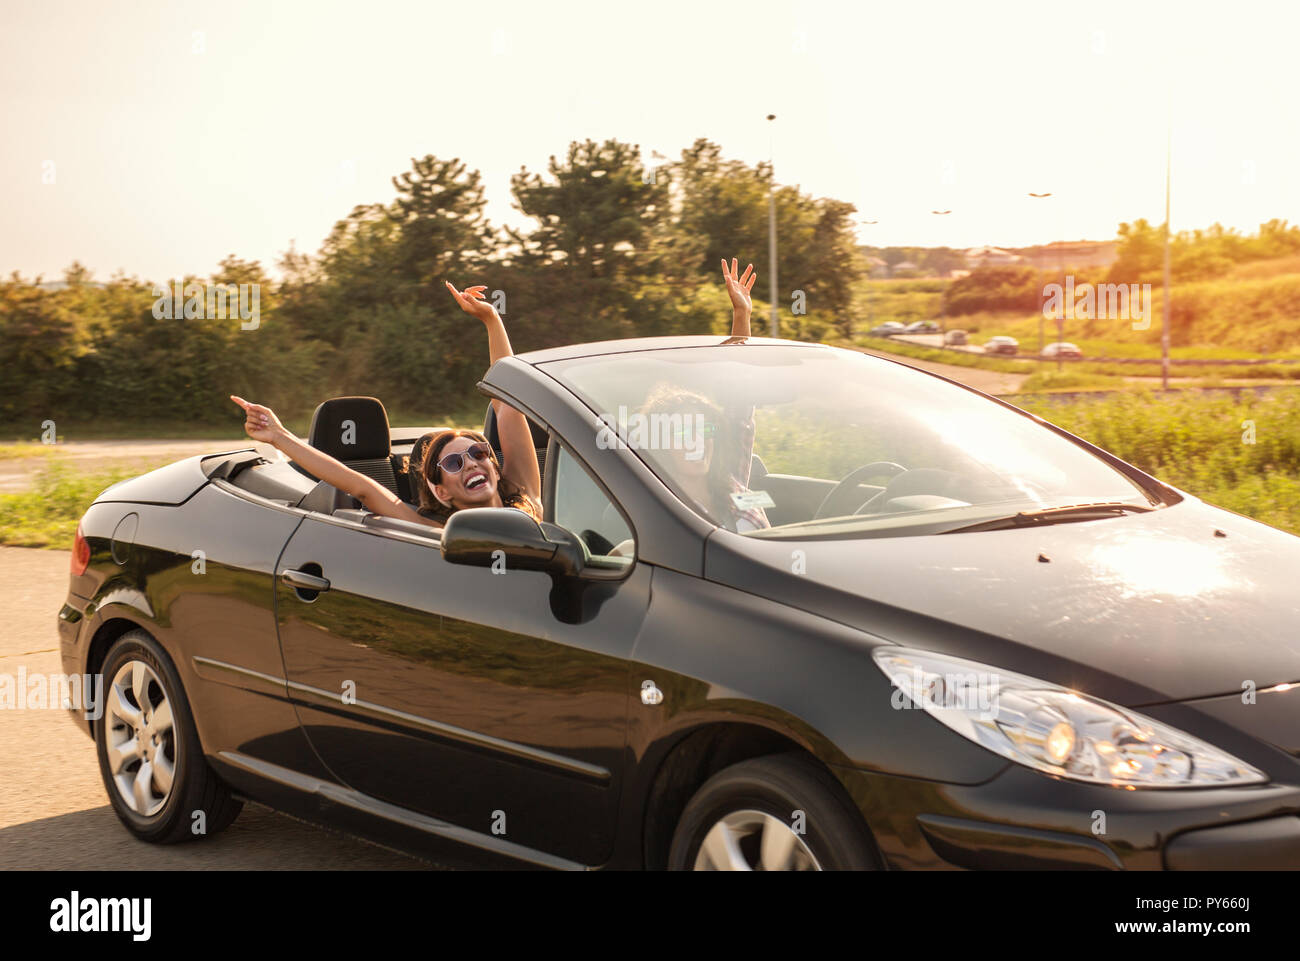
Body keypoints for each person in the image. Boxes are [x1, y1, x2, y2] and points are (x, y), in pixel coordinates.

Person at [230, 280, 540, 531]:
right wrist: (280, 436)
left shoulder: (528, 500)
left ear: (496, 470)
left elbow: (508, 403)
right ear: (441, 492)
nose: (471, 463)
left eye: (478, 453)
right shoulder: (435, 532)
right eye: (453, 463)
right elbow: (360, 486)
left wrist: (491, 319)